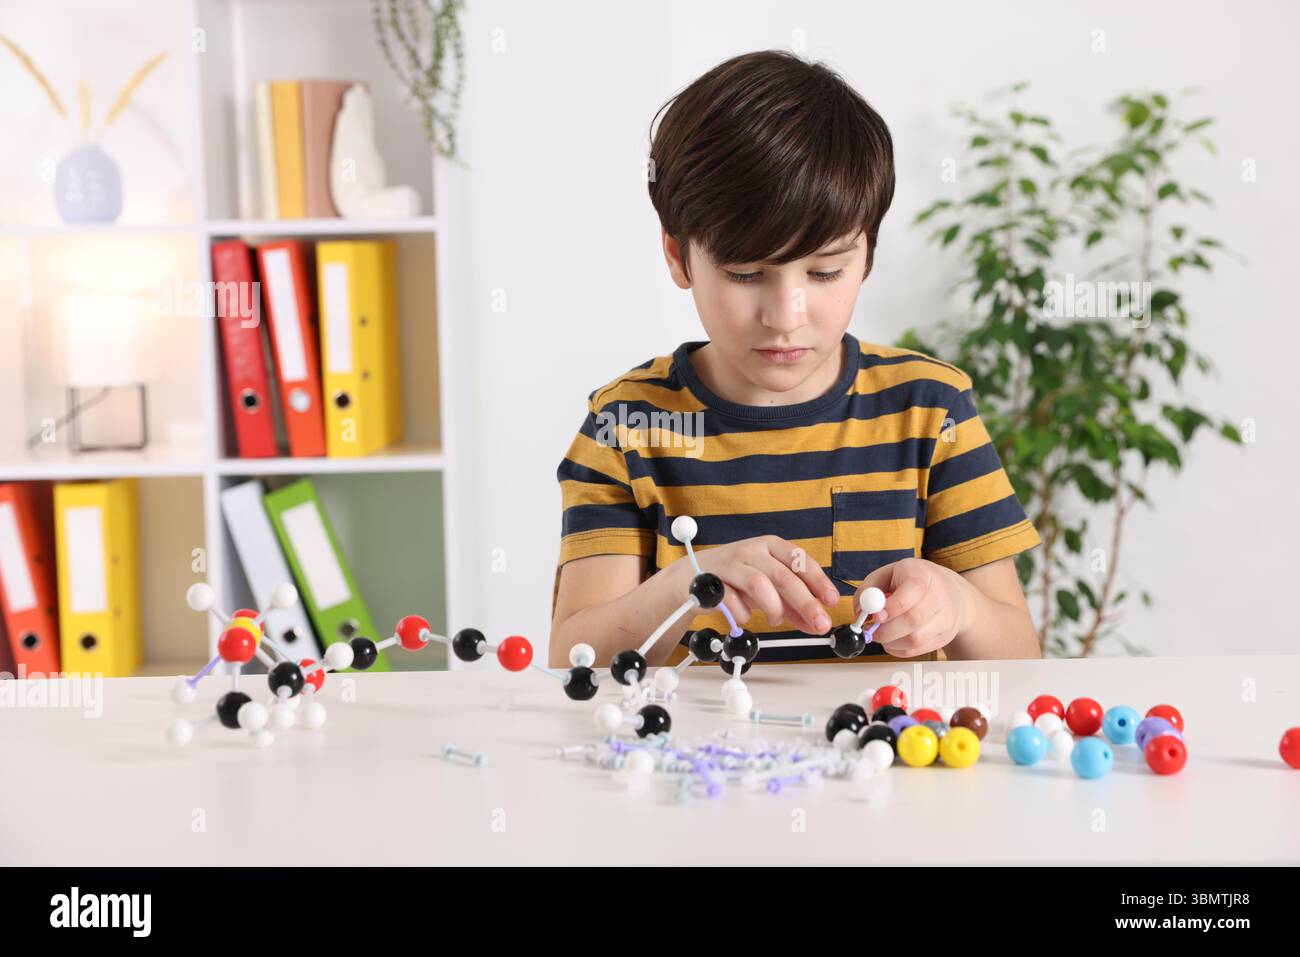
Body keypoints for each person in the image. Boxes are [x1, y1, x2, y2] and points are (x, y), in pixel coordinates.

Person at [551, 50, 1041, 669]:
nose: (786, 313)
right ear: (678, 256)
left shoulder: (928, 409)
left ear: (868, 255)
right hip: (694, 759)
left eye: (826, 269)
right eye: (745, 272)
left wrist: (960, 607)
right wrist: (687, 589)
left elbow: (1020, 658)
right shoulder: (627, 424)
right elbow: (574, 656)